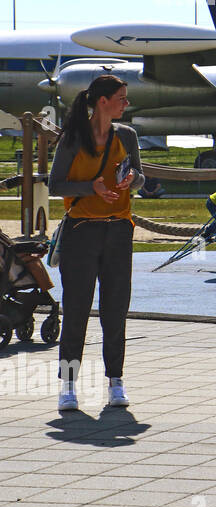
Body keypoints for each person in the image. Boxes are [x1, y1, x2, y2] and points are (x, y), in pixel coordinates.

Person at [47, 73, 145, 411]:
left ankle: (116, 382)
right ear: (103, 102)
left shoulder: (127, 135)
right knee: (76, 309)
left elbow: (141, 176)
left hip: (119, 229)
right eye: (121, 97)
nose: (126, 103)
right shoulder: (74, 137)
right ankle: (68, 386)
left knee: (115, 310)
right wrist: (92, 188)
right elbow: (55, 185)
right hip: (81, 231)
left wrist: (132, 180)